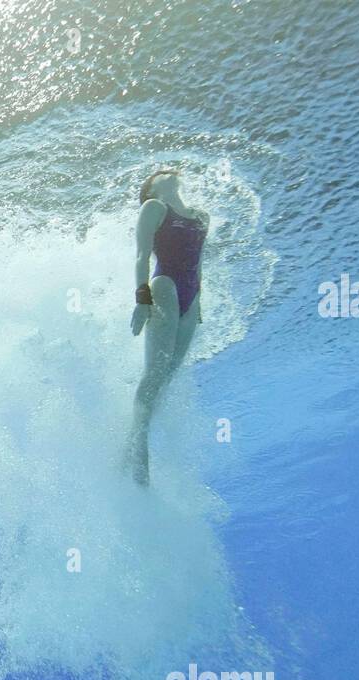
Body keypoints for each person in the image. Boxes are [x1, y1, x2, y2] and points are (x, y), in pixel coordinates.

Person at [125, 168, 209, 486]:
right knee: (155, 370)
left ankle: (131, 438)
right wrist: (141, 300)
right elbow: (141, 256)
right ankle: (138, 449)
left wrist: (197, 305)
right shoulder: (154, 207)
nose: (167, 171)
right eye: (158, 174)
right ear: (151, 188)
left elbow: (200, 264)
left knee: (169, 375)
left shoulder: (202, 217)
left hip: (191, 297)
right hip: (165, 286)